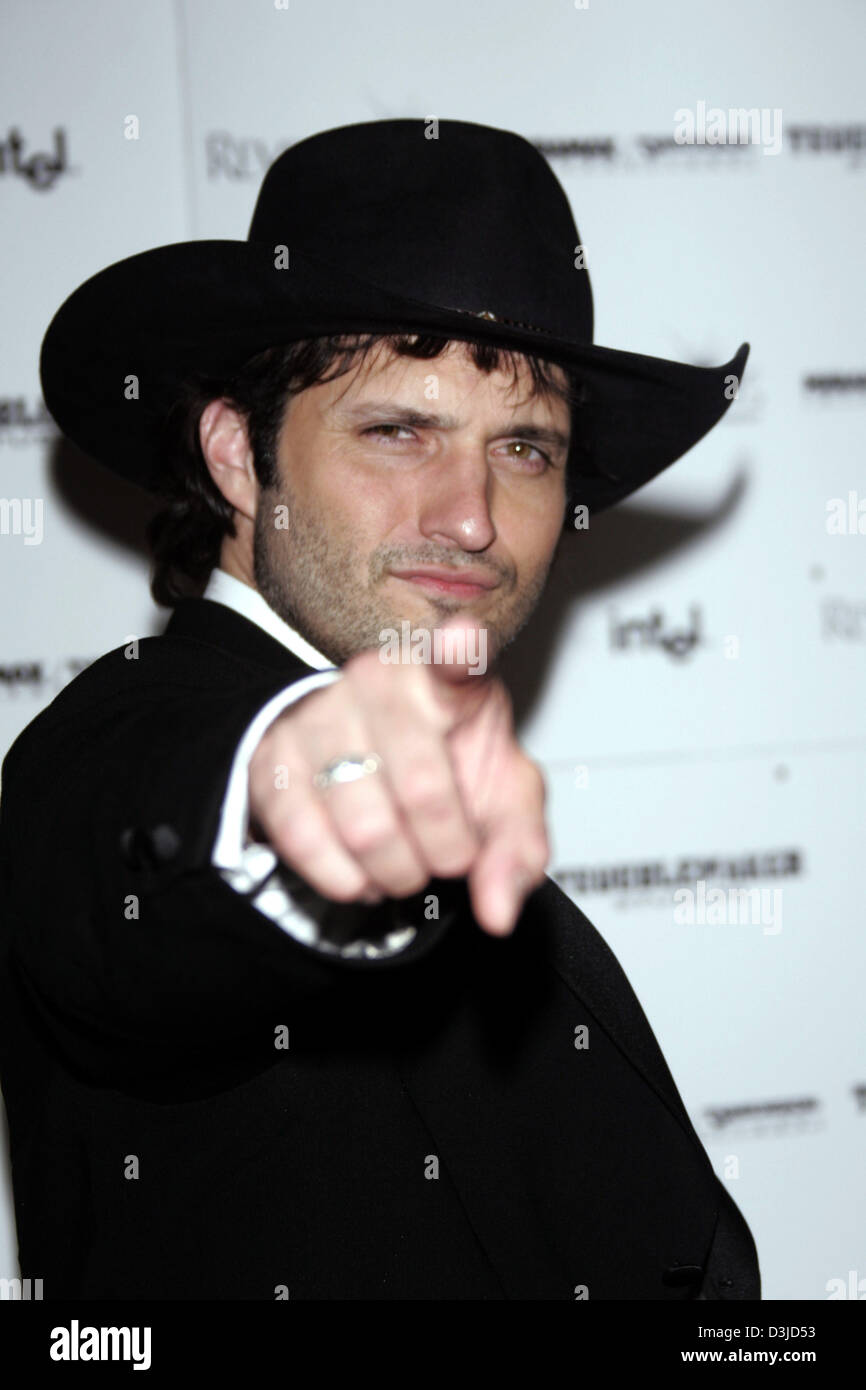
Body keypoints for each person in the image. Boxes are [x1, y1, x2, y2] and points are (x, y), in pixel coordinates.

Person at [0, 117, 760, 1300]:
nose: (469, 515)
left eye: (522, 445)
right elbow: (140, 867)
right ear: (238, 461)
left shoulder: (469, 811)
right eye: (398, 429)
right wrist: (296, 781)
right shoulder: (119, 742)